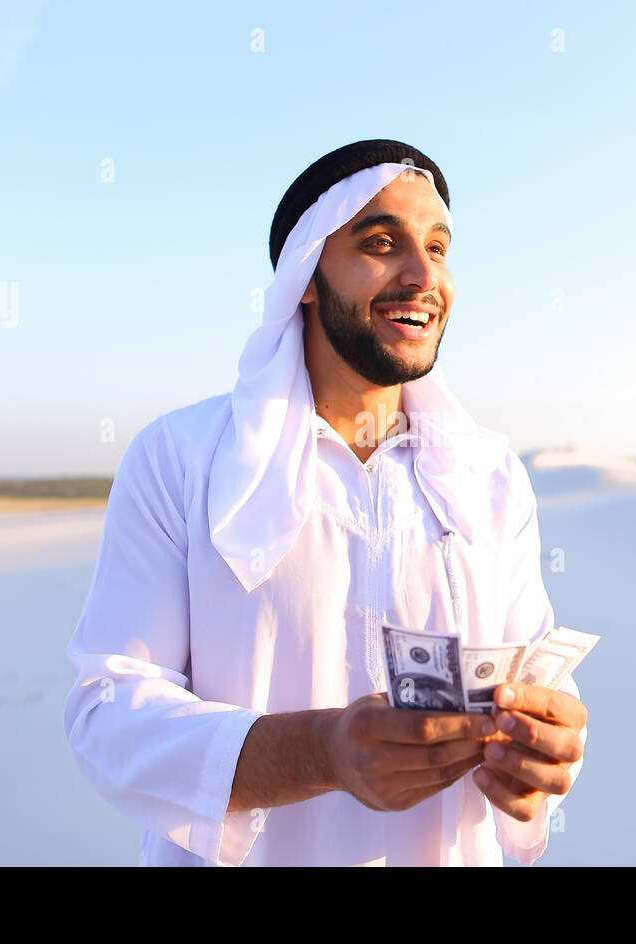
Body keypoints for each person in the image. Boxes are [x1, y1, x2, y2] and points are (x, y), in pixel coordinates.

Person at [63, 139, 589, 866]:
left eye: (439, 248)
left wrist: (542, 766)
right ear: (306, 275)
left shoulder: (490, 476)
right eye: (381, 243)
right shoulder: (181, 457)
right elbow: (107, 717)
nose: (423, 275)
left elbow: (538, 703)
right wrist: (322, 753)